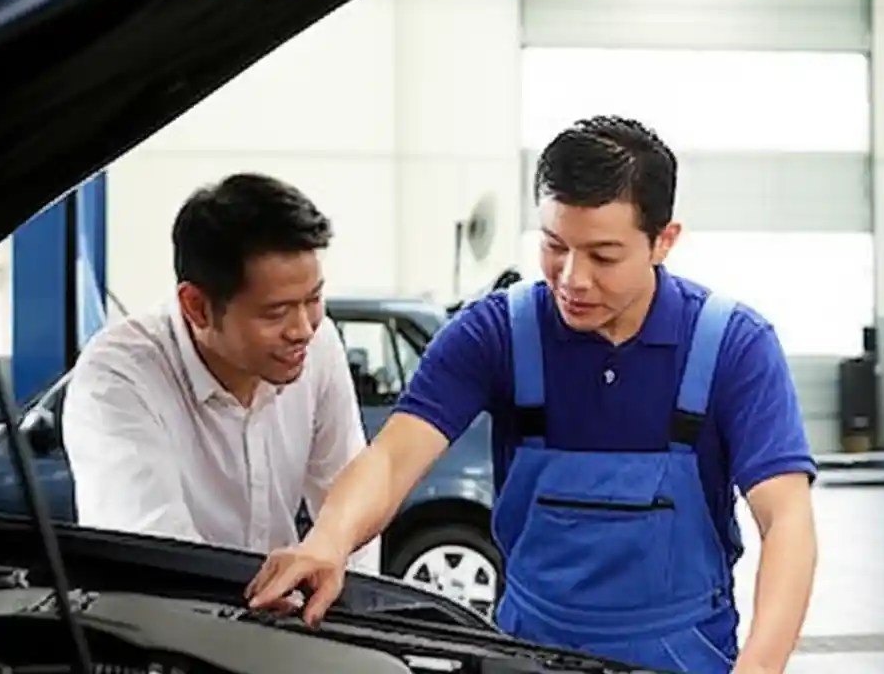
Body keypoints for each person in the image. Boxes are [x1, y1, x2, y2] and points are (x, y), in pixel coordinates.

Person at [244, 117, 817, 674]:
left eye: (603, 256)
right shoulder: (497, 332)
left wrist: (761, 666)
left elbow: (785, 517)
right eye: (554, 245)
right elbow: (393, 458)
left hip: (682, 655)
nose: (572, 278)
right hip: (526, 652)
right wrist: (327, 542)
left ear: (663, 241)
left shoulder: (733, 346)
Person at [63, 173, 379, 574]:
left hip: (283, 624)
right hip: (167, 626)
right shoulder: (118, 377)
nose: (302, 328)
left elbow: (350, 503)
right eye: (276, 312)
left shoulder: (318, 344)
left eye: (314, 299)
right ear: (196, 306)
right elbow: (157, 556)